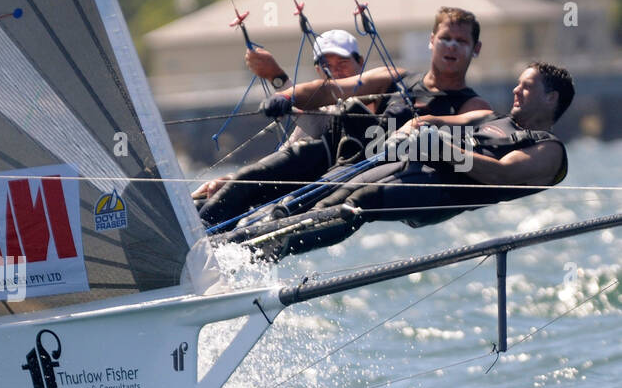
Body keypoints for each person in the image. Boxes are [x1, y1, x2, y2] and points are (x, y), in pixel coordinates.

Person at [198, 7, 493, 229]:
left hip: (373, 179)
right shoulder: (394, 78)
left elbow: (476, 133)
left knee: (286, 209)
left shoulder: (474, 104)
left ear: (475, 49)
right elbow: (330, 91)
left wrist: (426, 125)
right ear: (432, 41)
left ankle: (228, 244)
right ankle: (192, 236)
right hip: (326, 161)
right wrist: (286, 96)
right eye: (445, 38)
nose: (452, 46)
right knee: (243, 182)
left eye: (461, 41)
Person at [240, 62, 573, 258]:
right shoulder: (494, 118)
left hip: (440, 194)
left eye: (525, 87)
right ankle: (266, 232)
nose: (516, 90)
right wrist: (419, 127)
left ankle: (282, 247)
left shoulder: (549, 149)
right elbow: (440, 123)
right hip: (416, 167)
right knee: (342, 186)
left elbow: (501, 174)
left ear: (551, 97)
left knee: (360, 203)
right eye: (517, 84)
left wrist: (442, 149)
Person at [193, 29, 365, 203]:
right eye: (326, 66)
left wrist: (276, 76)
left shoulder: (375, 99)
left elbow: (323, 128)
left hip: (331, 193)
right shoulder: (321, 105)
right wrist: (234, 179)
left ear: (360, 62)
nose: (335, 72)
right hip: (294, 192)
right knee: (210, 196)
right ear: (317, 70)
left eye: (343, 63)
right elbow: (283, 156)